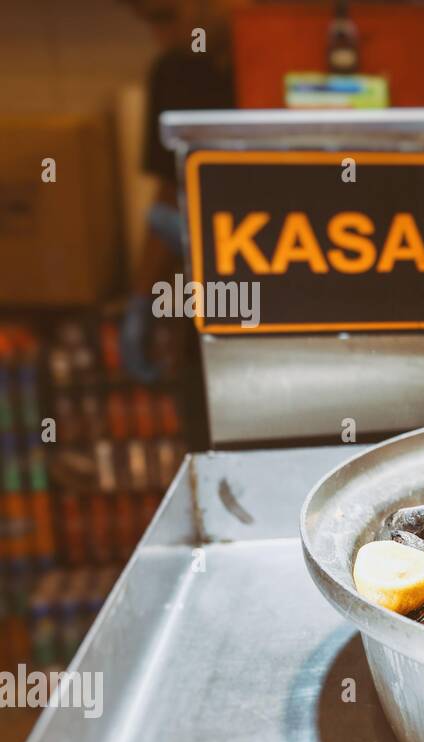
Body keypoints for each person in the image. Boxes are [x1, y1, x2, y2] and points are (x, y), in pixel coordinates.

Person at [117, 0, 242, 445]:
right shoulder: (180, 70)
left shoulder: (292, 48)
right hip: (218, 304)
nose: (161, 38)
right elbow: (170, 193)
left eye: (165, 18)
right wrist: (144, 303)